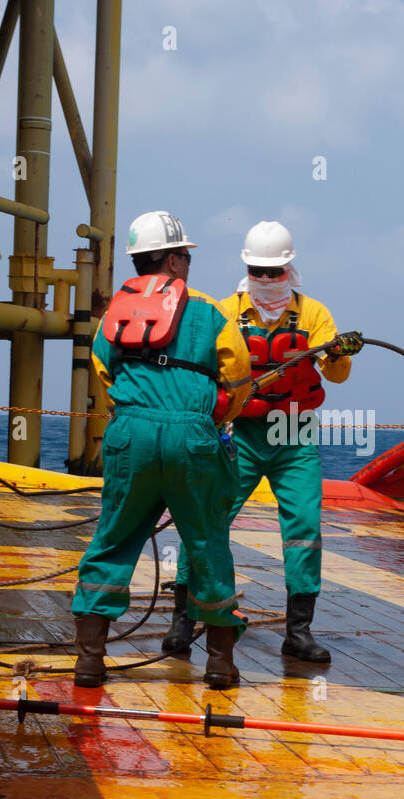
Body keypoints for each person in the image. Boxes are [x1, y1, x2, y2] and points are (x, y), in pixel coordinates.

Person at [164, 221, 363, 665]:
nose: (267, 280)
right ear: (247, 267)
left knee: (304, 530)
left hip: (295, 435)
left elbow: (337, 373)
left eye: (275, 272)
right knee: (208, 519)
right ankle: (183, 617)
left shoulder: (314, 315)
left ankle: (298, 632)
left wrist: (339, 352)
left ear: (289, 268)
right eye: (259, 271)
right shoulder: (222, 312)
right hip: (241, 435)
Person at [72, 210, 252, 689]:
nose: (187, 265)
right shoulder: (211, 311)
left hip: (129, 432)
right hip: (192, 439)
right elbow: (238, 378)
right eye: (185, 256)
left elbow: (103, 370)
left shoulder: (114, 311)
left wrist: (137, 408)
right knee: (208, 543)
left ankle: (89, 660)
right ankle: (219, 663)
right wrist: (216, 413)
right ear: (173, 259)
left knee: (112, 540)